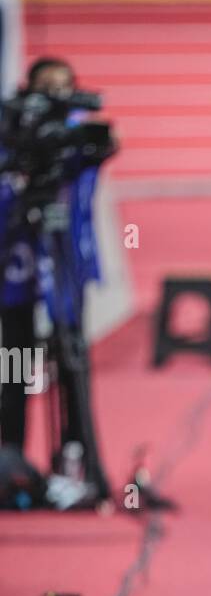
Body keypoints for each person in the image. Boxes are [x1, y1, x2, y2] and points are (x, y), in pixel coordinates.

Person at [0, 57, 113, 494]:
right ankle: (11, 457)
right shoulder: (12, 138)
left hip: (63, 268)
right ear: (27, 91)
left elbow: (101, 151)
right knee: (15, 363)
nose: (57, 98)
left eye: (65, 88)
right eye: (47, 88)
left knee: (71, 361)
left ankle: (75, 458)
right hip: (15, 272)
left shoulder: (73, 138)